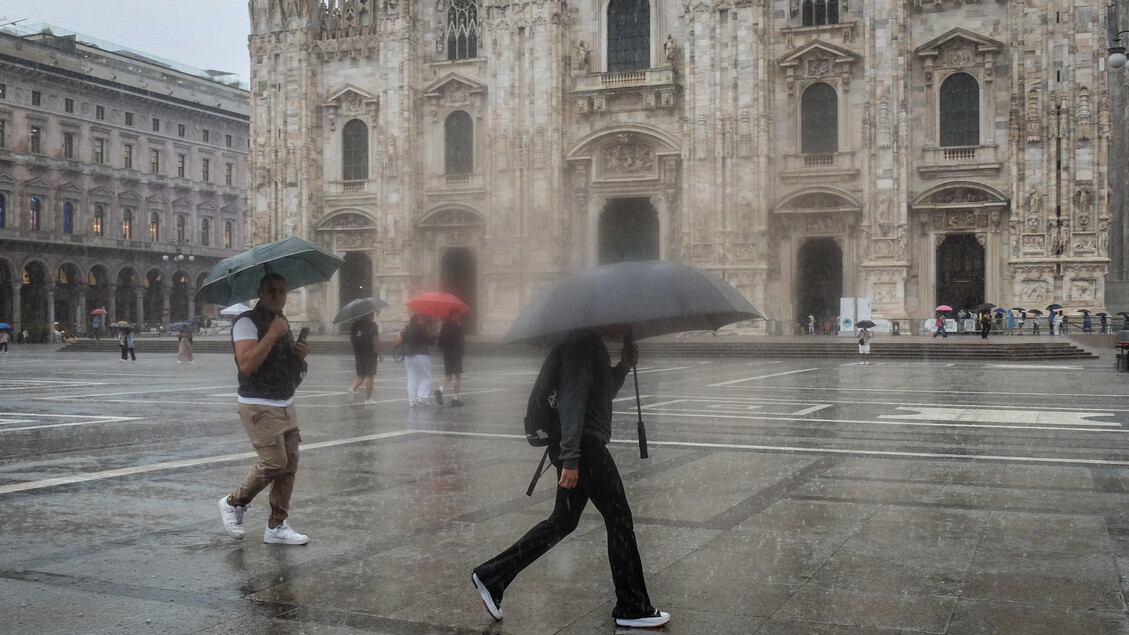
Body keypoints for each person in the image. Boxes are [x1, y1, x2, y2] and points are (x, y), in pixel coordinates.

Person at [471, 326, 670, 629]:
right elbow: (572, 401)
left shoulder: (592, 344)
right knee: (619, 519)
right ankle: (631, 605)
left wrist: (623, 368)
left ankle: (492, 576)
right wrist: (571, 458)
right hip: (583, 447)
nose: (623, 325)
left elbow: (598, 396)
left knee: (562, 522)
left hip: (580, 445)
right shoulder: (582, 342)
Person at [218, 273, 311, 546]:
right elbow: (247, 364)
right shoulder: (246, 322)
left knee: (290, 465)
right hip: (259, 404)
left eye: (283, 291)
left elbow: (283, 365)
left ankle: (276, 525)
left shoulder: (281, 322)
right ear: (260, 292)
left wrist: (299, 355)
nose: (279, 296)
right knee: (274, 463)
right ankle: (233, 502)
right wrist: (272, 334)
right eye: (272, 291)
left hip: (285, 402)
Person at [400, 313, 434, 407]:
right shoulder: (421, 330)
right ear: (416, 321)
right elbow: (430, 342)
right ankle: (422, 397)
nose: (423, 321)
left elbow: (402, 341)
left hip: (409, 356)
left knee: (411, 378)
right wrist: (431, 333)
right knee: (425, 376)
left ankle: (412, 400)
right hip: (421, 355)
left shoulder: (407, 329)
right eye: (421, 319)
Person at [348, 313, 382, 405]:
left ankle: (352, 389)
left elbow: (352, 338)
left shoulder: (356, 324)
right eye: (373, 313)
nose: (374, 315)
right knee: (370, 376)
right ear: (370, 314)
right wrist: (380, 353)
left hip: (358, 353)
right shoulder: (372, 325)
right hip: (370, 353)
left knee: (361, 375)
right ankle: (368, 399)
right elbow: (376, 340)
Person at [436, 309, 466, 407]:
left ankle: (440, 389)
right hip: (456, 355)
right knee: (457, 376)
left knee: (449, 375)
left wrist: (445, 350)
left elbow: (439, 341)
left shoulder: (444, 326)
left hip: (447, 354)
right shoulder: (458, 327)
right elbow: (461, 343)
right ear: (453, 316)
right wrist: (461, 353)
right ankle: (455, 399)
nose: (459, 317)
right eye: (458, 315)